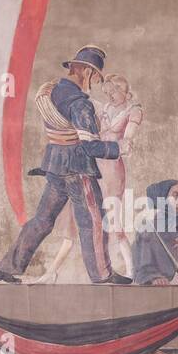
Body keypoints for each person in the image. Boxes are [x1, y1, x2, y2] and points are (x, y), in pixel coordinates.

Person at [0, 45, 131, 285]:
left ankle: (7, 267)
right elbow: (89, 146)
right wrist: (119, 148)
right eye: (96, 77)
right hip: (78, 170)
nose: (96, 83)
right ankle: (101, 274)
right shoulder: (80, 104)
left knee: (42, 220)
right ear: (87, 72)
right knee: (94, 221)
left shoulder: (50, 91)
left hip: (55, 166)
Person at [36, 71, 141, 283]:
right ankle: (52, 270)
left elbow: (128, 139)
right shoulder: (103, 109)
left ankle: (131, 272)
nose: (110, 94)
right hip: (92, 165)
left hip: (111, 169)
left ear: (126, 92)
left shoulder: (134, 110)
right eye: (107, 91)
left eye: (114, 90)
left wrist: (124, 143)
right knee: (76, 218)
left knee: (112, 220)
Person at [131, 180, 178, 285]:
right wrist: (154, 278)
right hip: (162, 290)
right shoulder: (149, 229)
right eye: (176, 195)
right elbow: (142, 267)